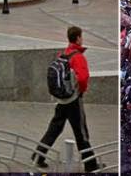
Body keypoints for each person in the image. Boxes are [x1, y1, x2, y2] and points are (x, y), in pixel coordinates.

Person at [34, 26, 100, 171]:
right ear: (77, 38)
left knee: (54, 129)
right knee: (81, 133)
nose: (82, 39)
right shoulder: (78, 57)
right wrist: (80, 92)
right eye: (81, 37)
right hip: (74, 101)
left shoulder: (63, 53)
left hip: (62, 100)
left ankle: (38, 156)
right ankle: (91, 164)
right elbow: (83, 78)